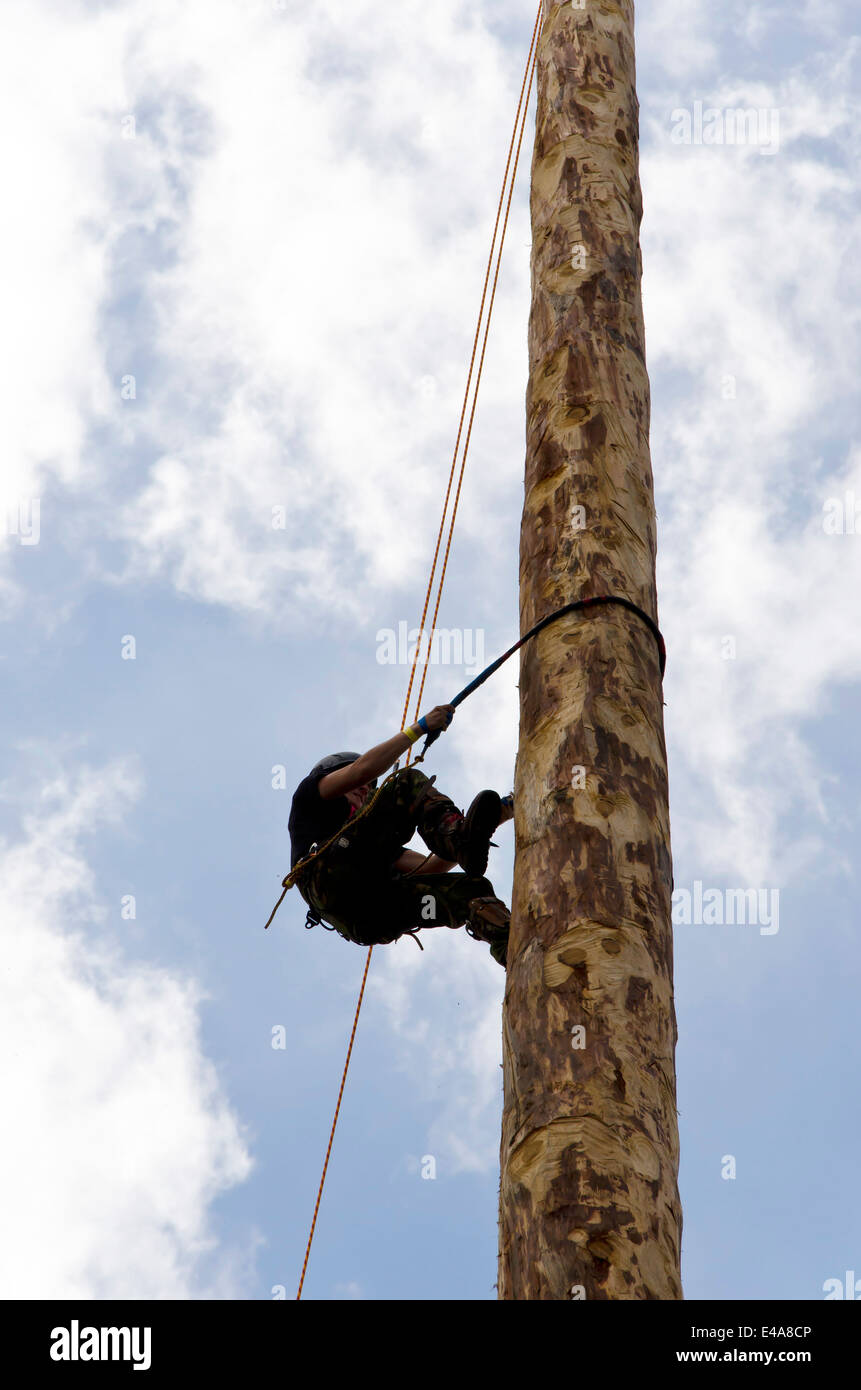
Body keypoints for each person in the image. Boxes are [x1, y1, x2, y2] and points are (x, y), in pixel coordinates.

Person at [288, 705, 514, 966]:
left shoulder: (373, 846)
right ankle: (458, 836)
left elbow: (430, 867)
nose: (365, 789)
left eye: (369, 788)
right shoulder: (312, 797)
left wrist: (491, 822)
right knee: (405, 784)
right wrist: (419, 728)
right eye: (359, 786)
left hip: (371, 916)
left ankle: (508, 943)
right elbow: (362, 771)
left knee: (472, 888)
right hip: (328, 876)